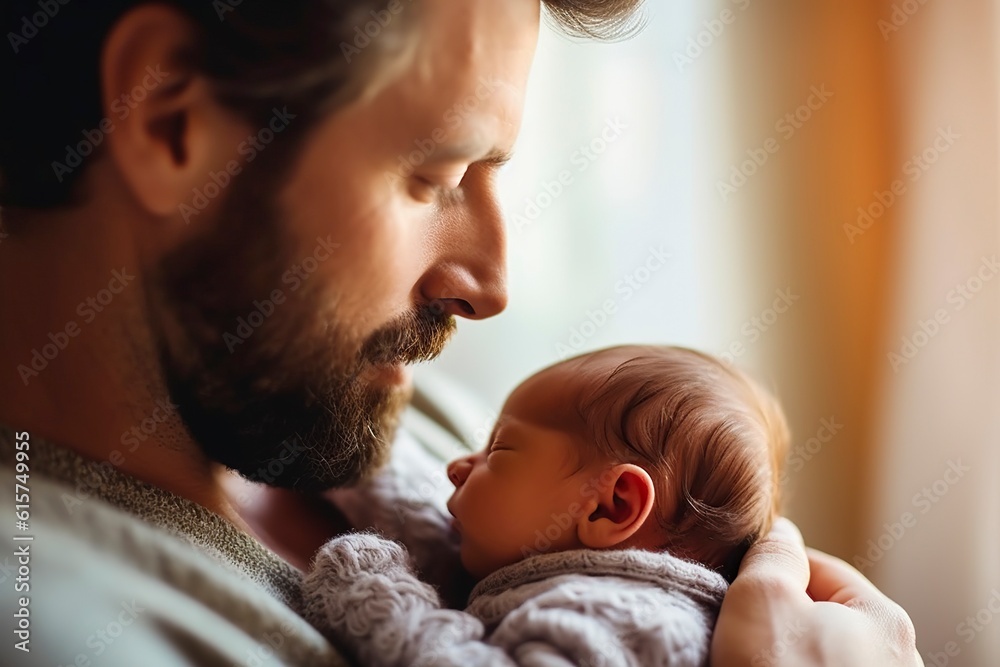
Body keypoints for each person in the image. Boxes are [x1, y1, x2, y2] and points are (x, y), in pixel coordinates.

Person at [0, 1, 920, 665]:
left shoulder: (395, 408)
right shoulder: (52, 618)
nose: (488, 285)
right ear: (170, 121)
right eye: (435, 177)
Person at [302, 344, 788, 666]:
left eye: (499, 450)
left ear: (609, 507)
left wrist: (371, 588)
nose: (455, 467)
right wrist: (363, 460)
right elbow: (443, 538)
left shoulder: (635, 621)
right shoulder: (554, 564)